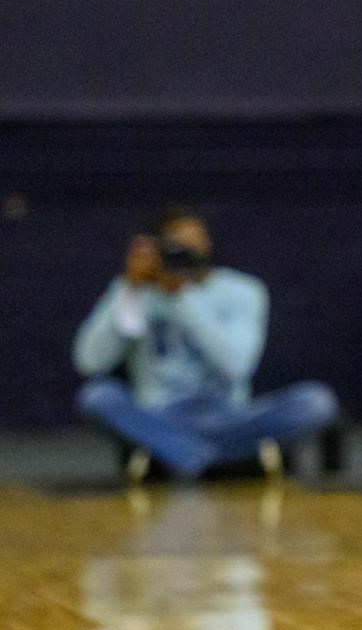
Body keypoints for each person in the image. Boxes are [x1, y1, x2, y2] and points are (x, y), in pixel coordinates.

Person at [73, 205, 339, 482]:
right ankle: (206, 456)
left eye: (193, 243)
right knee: (97, 397)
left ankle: (185, 454)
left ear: (207, 243)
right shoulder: (137, 292)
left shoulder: (242, 290)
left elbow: (236, 367)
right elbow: (89, 362)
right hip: (161, 415)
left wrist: (180, 297)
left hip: (231, 416)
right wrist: (128, 289)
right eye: (175, 246)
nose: (186, 253)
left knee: (316, 401)